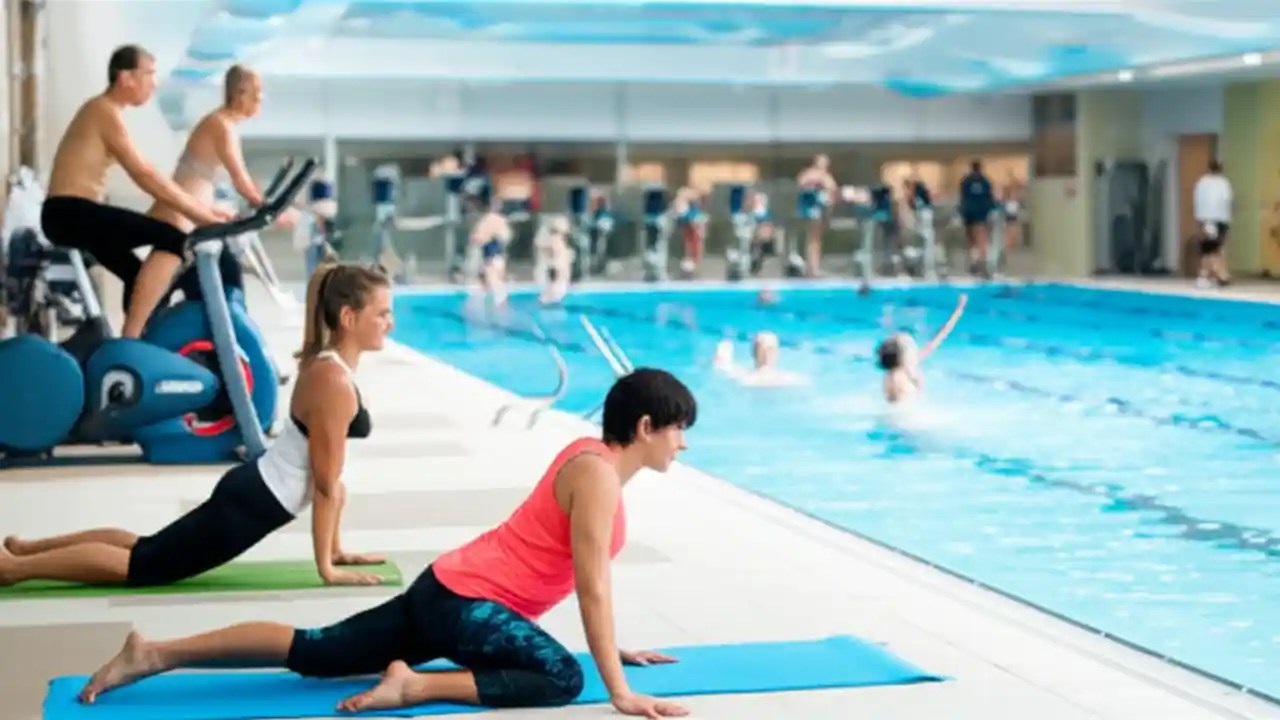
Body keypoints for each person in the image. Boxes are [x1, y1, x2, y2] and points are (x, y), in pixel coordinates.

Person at [74, 369, 697, 719]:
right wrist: (617, 690)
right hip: (465, 605)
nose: (682, 444)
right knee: (561, 678)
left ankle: (155, 654)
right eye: (678, 430)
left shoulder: (592, 465)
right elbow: (591, 586)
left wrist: (613, 647)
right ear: (645, 427)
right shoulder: (595, 477)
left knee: (317, 651)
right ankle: (413, 687)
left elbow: (556, 569)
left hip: (451, 592)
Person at [0, 263, 394, 589]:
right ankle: (15, 568)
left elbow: (331, 485)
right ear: (348, 318)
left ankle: (28, 548)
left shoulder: (329, 367)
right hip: (255, 502)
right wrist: (327, 567)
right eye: (382, 314)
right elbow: (326, 486)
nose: (389, 324)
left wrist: (337, 550)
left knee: (147, 547)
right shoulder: (334, 383)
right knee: (144, 566)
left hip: (255, 492)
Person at [39, 45, 234, 339]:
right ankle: (132, 338)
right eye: (149, 74)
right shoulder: (103, 112)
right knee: (174, 239)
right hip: (69, 214)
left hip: (71, 215)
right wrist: (201, 215)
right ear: (125, 77)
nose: (154, 82)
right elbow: (144, 173)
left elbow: (148, 175)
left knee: (137, 274)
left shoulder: (105, 111)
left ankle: (139, 339)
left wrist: (203, 212)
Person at [877, 294, 966, 404]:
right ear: (902, 355)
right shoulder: (895, 378)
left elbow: (939, 337)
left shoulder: (908, 364)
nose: (914, 347)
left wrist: (959, 310)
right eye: (910, 345)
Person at [1192, 159, 1232, 288]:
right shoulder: (1223, 183)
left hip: (1204, 218)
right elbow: (1227, 200)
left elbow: (1197, 200)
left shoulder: (1201, 182)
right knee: (1214, 248)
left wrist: (1199, 218)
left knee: (1207, 248)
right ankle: (1215, 275)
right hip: (1219, 218)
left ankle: (1212, 275)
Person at [797, 154, 837, 277]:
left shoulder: (821, 176)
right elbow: (802, 184)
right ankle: (812, 267)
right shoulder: (813, 174)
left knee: (814, 240)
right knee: (813, 239)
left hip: (818, 209)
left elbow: (832, 191)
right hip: (812, 208)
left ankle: (813, 266)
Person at [469, 198, 512, 305]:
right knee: (490, 281)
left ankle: (496, 302)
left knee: (493, 282)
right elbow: (506, 237)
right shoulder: (501, 221)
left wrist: (482, 238)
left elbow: (476, 238)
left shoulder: (488, 220)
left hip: (491, 255)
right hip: (497, 255)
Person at [959, 161, 994, 276]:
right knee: (979, 239)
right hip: (979, 214)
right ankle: (979, 263)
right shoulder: (984, 182)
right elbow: (989, 198)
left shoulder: (967, 181)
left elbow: (963, 198)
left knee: (974, 240)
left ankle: (977, 262)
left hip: (972, 214)